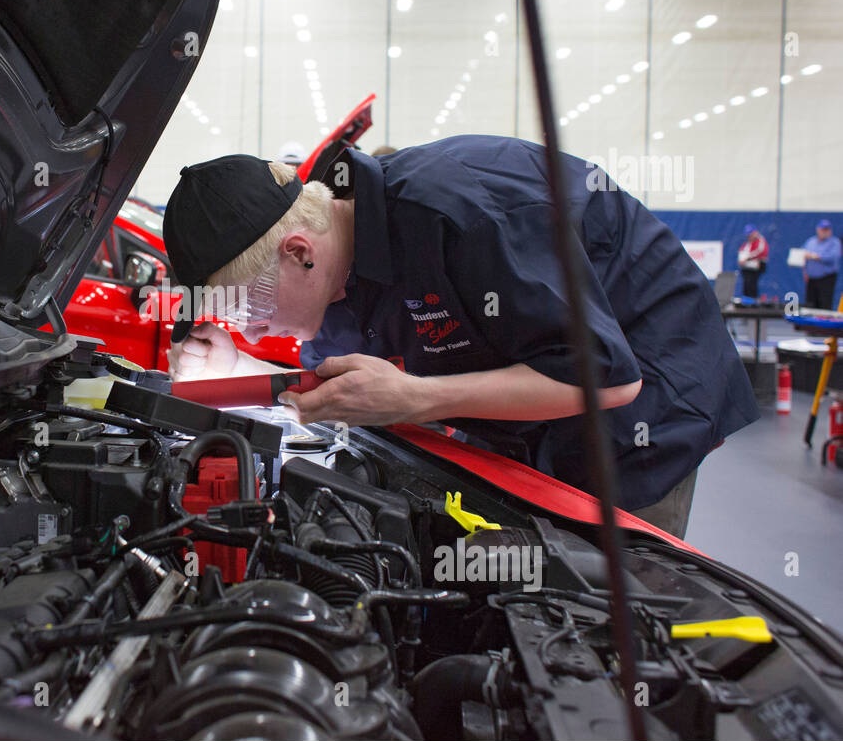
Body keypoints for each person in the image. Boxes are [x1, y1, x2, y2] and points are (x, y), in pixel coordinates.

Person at [162, 140, 759, 539]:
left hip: (647, 406)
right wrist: (240, 360)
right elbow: (344, 379)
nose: (258, 329)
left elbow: (607, 375)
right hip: (534, 413)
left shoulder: (458, 214)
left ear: (300, 252)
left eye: (254, 313)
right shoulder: (336, 276)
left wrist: (418, 397)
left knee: (604, 606)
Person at [802, 219, 840, 311]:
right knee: (810, 305)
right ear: (818, 230)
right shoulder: (810, 242)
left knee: (824, 305)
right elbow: (801, 254)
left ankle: (824, 325)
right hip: (811, 279)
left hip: (826, 279)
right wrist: (805, 272)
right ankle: (810, 325)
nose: (824, 232)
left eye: (827, 230)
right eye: (823, 229)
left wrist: (815, 256)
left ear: (830, 231)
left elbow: (832, 257)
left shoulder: (834, 243)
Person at [736, 223, 769, 299]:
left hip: (758, 264)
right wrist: (741, 259)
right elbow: (743, 251)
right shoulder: (748, 243)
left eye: (750, 234)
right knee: (746, 281)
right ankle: (746, 298)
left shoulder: (760, 240)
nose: (749, 237)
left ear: (755, 233)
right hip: (748, 266)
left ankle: (752, 299)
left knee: (752, 282)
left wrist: (747, 258)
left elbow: (760, 251)